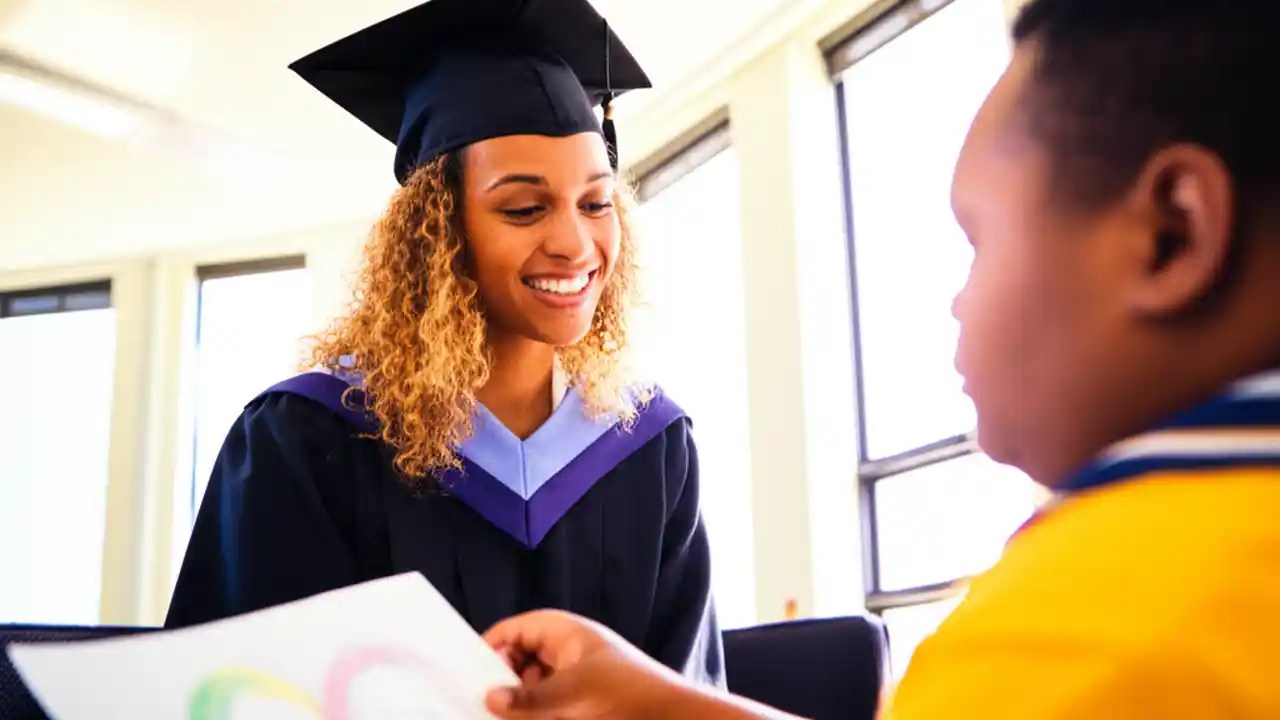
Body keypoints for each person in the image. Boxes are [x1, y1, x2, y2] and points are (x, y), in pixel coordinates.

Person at [476, 0, 1280, 717]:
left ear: (1170, 233)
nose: (959, 300)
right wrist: (660, 702)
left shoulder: (1080, 631)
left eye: (980, 240)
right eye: (523, 207)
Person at [165, 0, 723, 687]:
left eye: (595, 203)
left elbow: (687, 697)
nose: (575, 244)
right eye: (524, 208)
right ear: (437, 233)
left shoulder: (651, 448)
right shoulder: (307, 440)